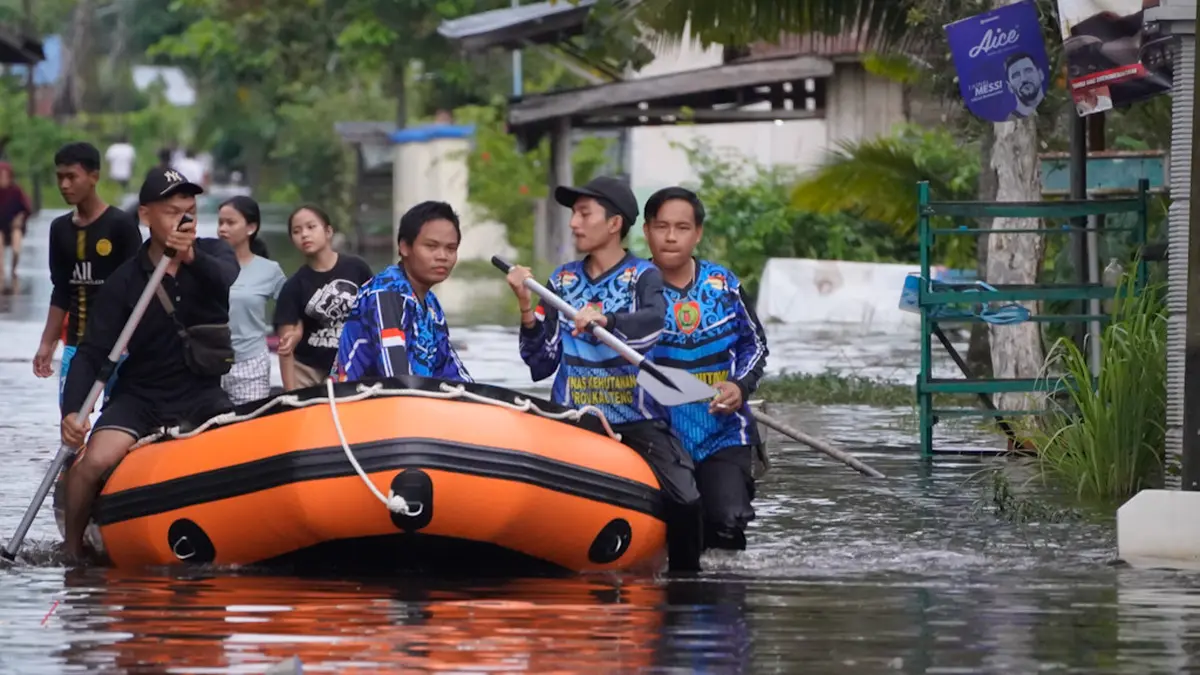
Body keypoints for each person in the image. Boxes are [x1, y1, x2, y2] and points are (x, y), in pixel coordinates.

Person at [503, 176, 703, 573]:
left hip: (635, 420)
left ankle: (686, 582)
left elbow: (652, 324)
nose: (574, 223)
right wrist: (526, 306)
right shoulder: (561, 282)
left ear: (614, 224)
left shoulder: (643, 276)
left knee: (687, 500)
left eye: (583, 213)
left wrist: (606, 318)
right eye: (574, 214)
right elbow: (540, 362)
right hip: (573, 420)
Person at [59, 166, 238, 561]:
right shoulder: (124, 281)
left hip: (202, 393)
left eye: (189, 210)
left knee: (237, 447)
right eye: (173, 211)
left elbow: (225, 279)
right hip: (141, 396)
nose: (184, 219)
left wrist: (190, 256)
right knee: (95, 462)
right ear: (145, 216)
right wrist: (72, 412)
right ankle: (72, 551)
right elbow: (91, 353)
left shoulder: (213, 255)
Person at [642, 187, 769, 552]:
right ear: (647, 231)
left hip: (722, 429)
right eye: (661, 226)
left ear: (697, 233)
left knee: (727, 526)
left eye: (682, 227)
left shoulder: (723, 285)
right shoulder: (628, 287)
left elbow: (755, 344)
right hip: (656, 432)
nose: (670, 236)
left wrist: (739, 386)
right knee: (676, 530)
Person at [33, 143, 142, 407]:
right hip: (76, 345)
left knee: (116, 424)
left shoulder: (121, 226)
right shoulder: (59, 229)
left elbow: (138, 289)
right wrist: (47, 344)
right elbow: (61, 290)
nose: (64, 185)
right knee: (71, 423)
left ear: (94, 177)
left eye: (72, 177)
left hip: (121, 349)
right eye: (60, 178)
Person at [334, 201, 471, 382]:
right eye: (431, 246)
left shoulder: (432, 306)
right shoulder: (385, 294)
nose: (442, 256)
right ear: (404, 247)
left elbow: (452, 372)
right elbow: (397, 377)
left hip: (409, 402)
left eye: (450, 249)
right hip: (354, 402)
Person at [275, 205, 373, 390]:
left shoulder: (357, 268)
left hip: (353, 365)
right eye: (297, 231)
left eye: (311, 227)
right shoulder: (293, 286)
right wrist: (290, 394)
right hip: (308, 372)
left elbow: (376, 314)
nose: (304, 234)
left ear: (328, 231)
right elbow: (285, 348)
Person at [216, 196, 287, 405]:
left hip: (251, 363)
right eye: (220, 223)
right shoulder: (205, 264)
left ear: (251, 227)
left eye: (230, 223)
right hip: (208, 363)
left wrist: (290, 333)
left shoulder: (269, 270)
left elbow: (290, 308)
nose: (222, 229)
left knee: (248, 427)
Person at [0, 160, 32, 294]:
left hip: (14, 227)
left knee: (16, 249)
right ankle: (1, 274)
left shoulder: (16, 190)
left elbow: (27, 208)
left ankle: (13, 269)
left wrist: (19, 218)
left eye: (5, 175)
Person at [1005, 52, 1046, 119]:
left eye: (1028, 70)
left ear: (1041, 74)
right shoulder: (1009, 122)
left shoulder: (1059, 106)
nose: (1024, 79)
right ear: (1009, 87)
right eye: (1016, 75)